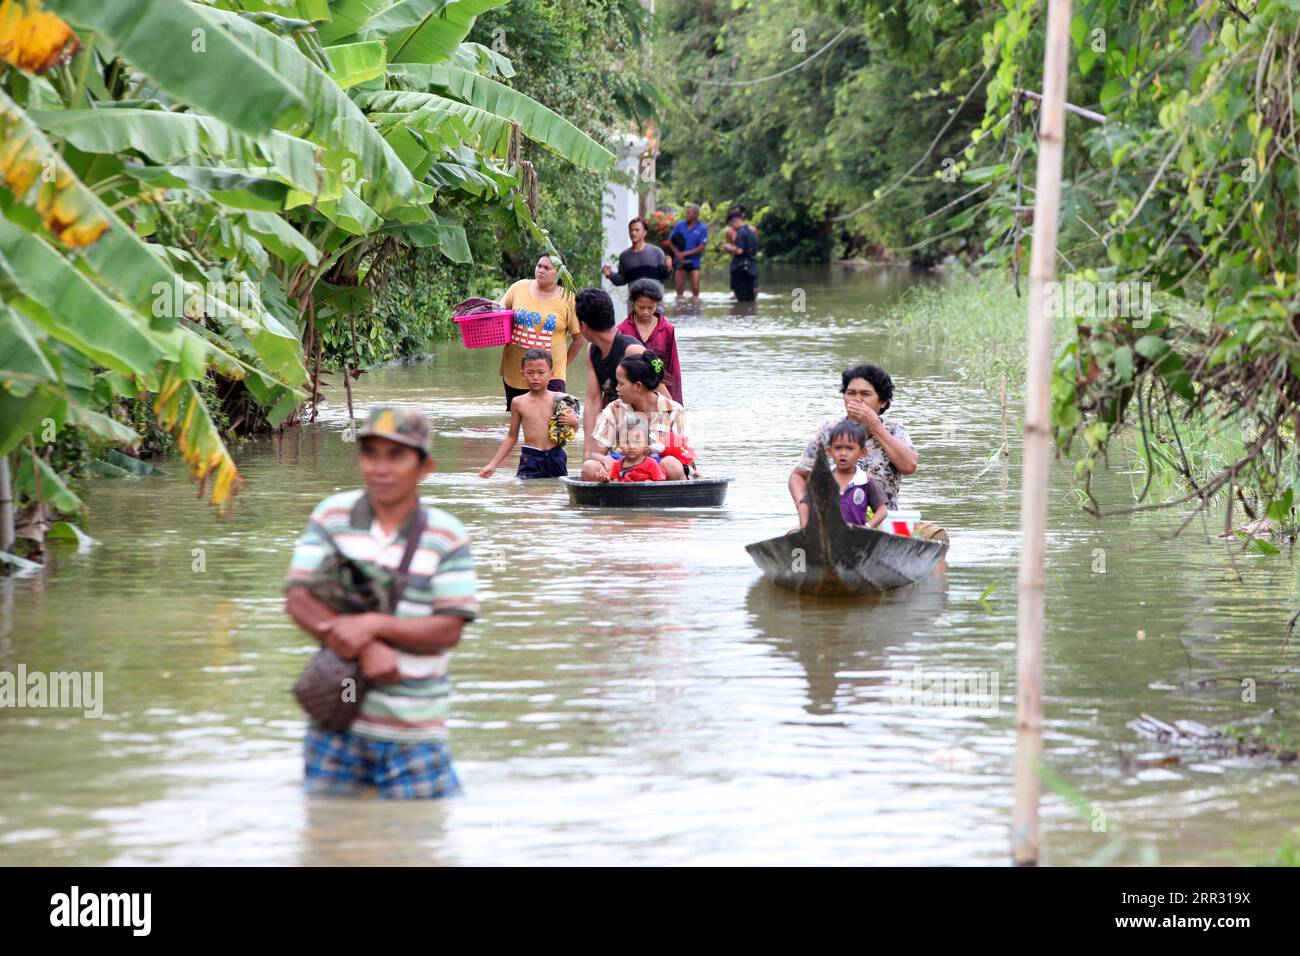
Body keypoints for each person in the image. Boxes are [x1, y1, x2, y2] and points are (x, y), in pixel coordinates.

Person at [284, 406, 478, 799]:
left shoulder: (447, 536)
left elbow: (448, 629)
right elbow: (297, 597)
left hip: (415, 734)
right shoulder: (332, 516)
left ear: (425, 467)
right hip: (335, 727)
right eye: (371, 454)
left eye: (396, 456)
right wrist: (368, 645)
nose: (380, 468)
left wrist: (374, 627)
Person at [789, 362, 916, 527]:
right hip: (831, 522)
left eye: (865, 394)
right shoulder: (829, 431)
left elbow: (909, 466)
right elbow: (798, 475)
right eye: (851, 393)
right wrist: (803, 509)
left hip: (886, 522)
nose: (857, 400)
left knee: (938, 536)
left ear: (882, 402)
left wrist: (875, 427)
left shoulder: (894, 430)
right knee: (793, 544)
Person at [575, 287, 665, 459]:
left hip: (643, 437)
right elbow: (593, 401)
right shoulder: (592, 350)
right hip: (613, 426)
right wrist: (588, 449)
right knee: (591, 466)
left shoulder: (632, 351)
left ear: (583, 326)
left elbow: (662, 400)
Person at [581, 350, 692, 482]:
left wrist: (694, 472)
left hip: (659, 474)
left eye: (621, 383)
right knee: (589, 467)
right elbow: (596, 454)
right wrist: (606, 460)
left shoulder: (673, 411)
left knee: (671, 463)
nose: (617, 388)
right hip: (622, 471)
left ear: (638, 386)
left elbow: (684, 457)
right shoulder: (614, 410)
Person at [479, 349, 581, 480]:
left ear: (551, 374)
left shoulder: (560, 400)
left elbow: (570, 433)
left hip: (556, 456)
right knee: (529, 492)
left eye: (541, 373)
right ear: (523, 374)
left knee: (557, 491)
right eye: (530, 373)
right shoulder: (518, 402)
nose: (535, 377)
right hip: (531, 457)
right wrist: (492, 465)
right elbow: (511, 437)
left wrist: (574, 422)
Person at [499, 253, 582, 410]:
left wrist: (562, 366)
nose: (541, 270)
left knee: (553, 420)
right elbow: (497, 314)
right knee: (517, 418)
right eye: (539, 266)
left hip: (552, 374)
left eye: (547, 268)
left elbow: (579, 339)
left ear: (559, 274)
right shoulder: (519, 287)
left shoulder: (568, 299)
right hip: (517, 371)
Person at [616, 278, 684, 404]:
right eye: (641, 307)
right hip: (630, 398)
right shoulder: (621, 330)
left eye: (650, 307)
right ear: (632, 303)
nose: (646, 312)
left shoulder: (667, 329)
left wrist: (677, 405)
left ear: (657, 305)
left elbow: (673, 369)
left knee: (662, 423)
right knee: (632, 424)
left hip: (660, 396)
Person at [827, 419, 888, 529]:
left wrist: (868, 526)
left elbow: (882, 509)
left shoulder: (865, 480)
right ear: (830, 451)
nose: (843, 453)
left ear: (862, 453)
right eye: (837, 448)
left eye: (850, 448)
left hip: (855, 540)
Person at [602, 217, 672, 287]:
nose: (633, 233)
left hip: (654, 296)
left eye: (637, 230)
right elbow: (622, 280)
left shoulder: (657, 252)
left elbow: (665, 276)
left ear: (644, 232)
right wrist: (609, 274)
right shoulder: (625, 256)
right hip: (635, 296)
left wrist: (668, 267)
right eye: (631, 230)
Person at [665, 203, 708, 298]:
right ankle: (680, 310)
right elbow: (670, 241)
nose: (686, 215)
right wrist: (677, 253)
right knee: (679, 290)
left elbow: (702, 246)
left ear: (696, 215)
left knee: (695, 289)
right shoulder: (680, 225)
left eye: (689, 213)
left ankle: (695, 310)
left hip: (694, 262)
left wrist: (684, 253)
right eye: (686, 212)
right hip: (680, 261)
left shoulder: (702, 228)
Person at [723, 206, 759, 302]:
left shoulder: (740, 232)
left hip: (740, 268)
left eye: (731, 225)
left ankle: (741, 315)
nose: (732, 228)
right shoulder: (752, 231)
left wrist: (728, 247)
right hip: (751, 267)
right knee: (750, 299)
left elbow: (739, 250)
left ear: (734, 221)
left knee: (741, 300)